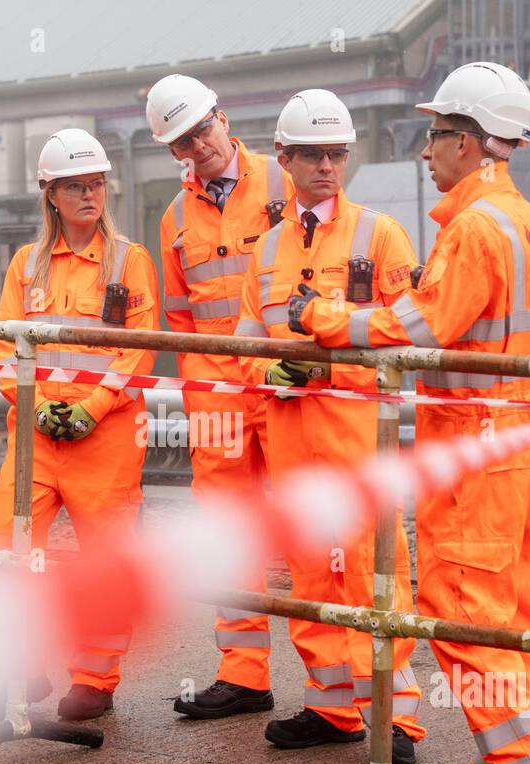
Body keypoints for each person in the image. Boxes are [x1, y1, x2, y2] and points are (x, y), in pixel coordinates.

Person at [289, 63, 530, 764]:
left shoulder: (477, 227)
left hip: (478, 456)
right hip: (518, 452)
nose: (426, 153)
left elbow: (417, 329)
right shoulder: (523, 220)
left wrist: (320, 317)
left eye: (435, 136)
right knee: (508, 618)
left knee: (464, 618)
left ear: (469, 141)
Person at [236, 90, 426, 764]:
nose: (326, 165)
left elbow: (407, 337)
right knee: (313, 577)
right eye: (313, 154)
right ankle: (331, 706)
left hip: (357, 446)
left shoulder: (380, 237)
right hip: (294, 450)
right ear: (283, 159)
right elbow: (246, 349)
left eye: (336, 153)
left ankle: (393, 718)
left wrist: (327, 370)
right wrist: (271, 376)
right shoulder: (265, 253)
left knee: (376, 577)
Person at [0, 129, 159, 721]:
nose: (90, 195)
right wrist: (31, 404)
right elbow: (6, 349)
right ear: (50, 194)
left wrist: (92, 407)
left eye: (97, 183)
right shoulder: (25, 265)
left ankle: (95, 678)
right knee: (6, 550)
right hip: (36, 435)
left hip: (103, 441)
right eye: (76, 186)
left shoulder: (129, 262)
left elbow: (137, 349)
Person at [146, 74, 291, 719]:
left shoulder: (288, 185)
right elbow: (178, 318)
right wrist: (204, 387)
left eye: (202, 130)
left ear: (224, 120)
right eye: (182, 141)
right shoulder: (175, 218)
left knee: (312, 536)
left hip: (286, 386)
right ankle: (245, 676)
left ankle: (335, 693)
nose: (197, 146)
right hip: (218, 398)